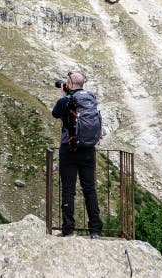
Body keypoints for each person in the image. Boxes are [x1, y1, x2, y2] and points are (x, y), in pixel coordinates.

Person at [52, 71, 103, 238]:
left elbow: (55, 113)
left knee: (68, 190)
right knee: (89, 189)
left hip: (69, 149)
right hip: (88, 150)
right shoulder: (90, 99)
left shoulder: (65, 100)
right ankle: (95, 230)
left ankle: (68, 230)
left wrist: (64, 95)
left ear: (70, 85)